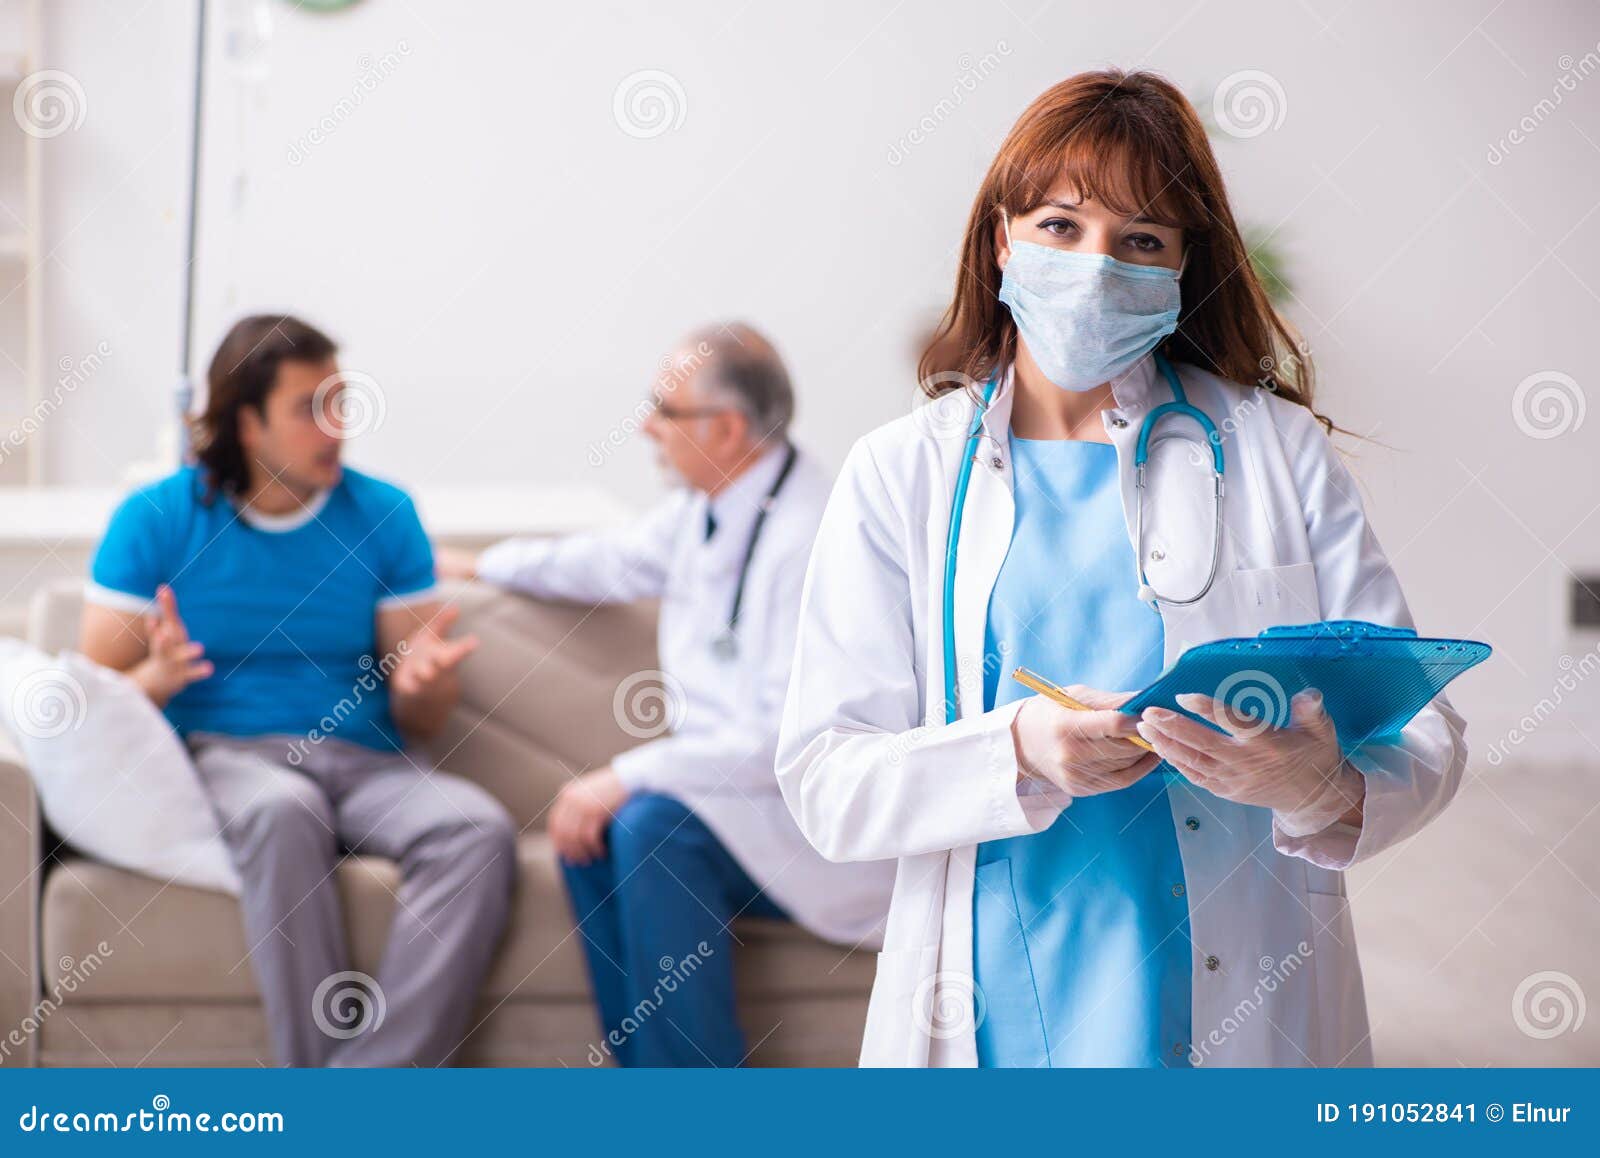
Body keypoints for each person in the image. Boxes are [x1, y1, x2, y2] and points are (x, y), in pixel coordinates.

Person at [775, 71, 1467, 1068]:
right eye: (1060, 226)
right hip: (995, 1000)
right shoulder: (902, 473)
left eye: (1141, 240)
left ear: (1184, 265)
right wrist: (1017, 749)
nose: (1096, 268)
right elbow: (826, 781)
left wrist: (1322, 786)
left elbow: (1423, 724)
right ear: (1000, 240)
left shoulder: (1273, 450)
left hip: (1240, 986)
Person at [439, 323, 894, 1067]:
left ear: (727, 428)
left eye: (664, 409)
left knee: (650, 826)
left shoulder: (810, 537)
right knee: (587, 840)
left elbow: (781, 739)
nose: (647, 426)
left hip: (807, 820)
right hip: (736, 800)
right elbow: (601, 561)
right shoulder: (704, 510)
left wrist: (623, 774)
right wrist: (481, 567)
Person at [79, 315, 516, 1067]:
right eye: (310, 408)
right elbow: (95, 699)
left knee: (476, 829)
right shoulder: (155, 519)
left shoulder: (385, 515)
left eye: (340, 400)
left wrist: (426, 683)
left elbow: (422, 717)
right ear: (248, 422)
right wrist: (156, 677)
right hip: (232, 757)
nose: (336, 425)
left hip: (367, 761)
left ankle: (358, 1101)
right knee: (286, 810)